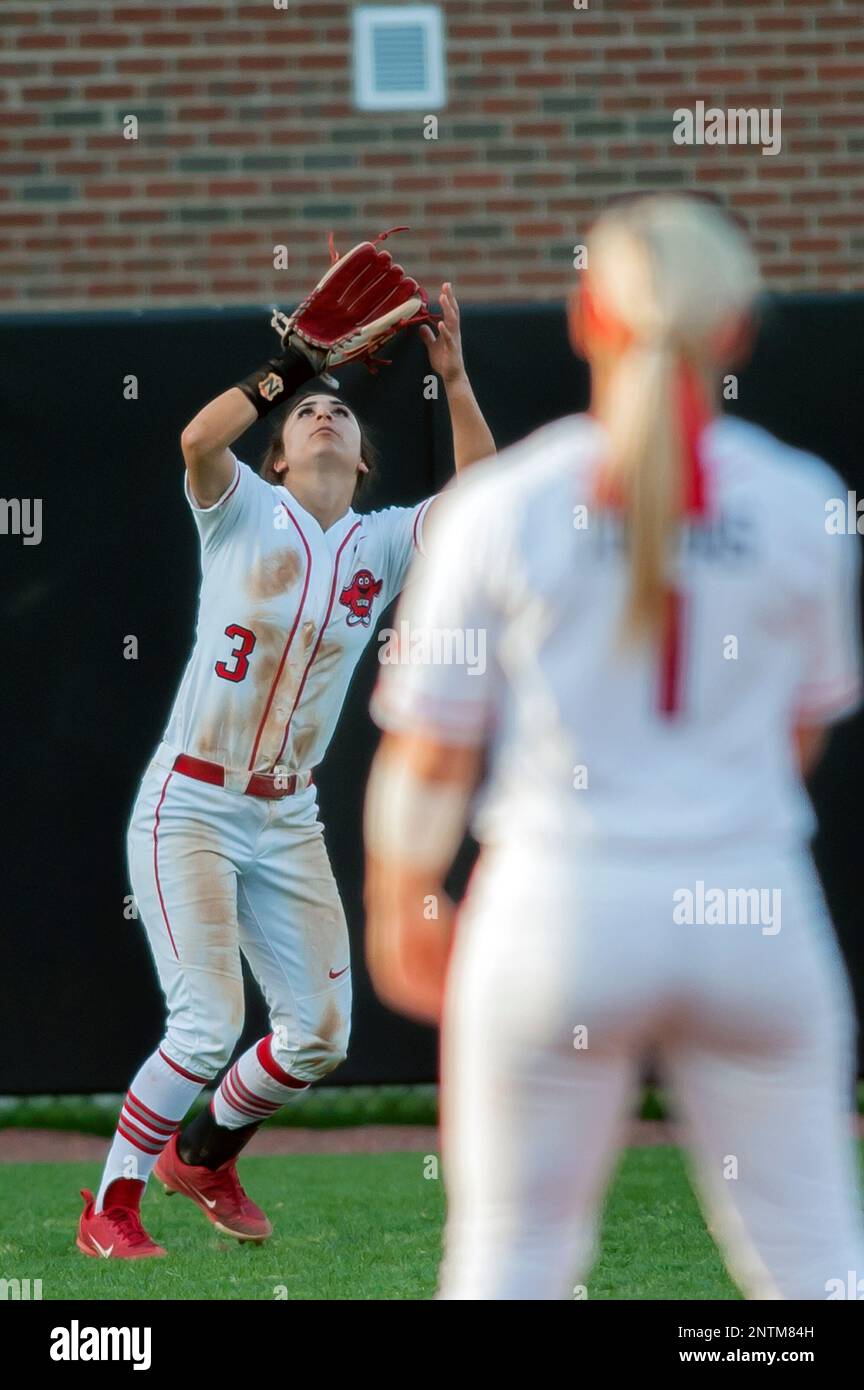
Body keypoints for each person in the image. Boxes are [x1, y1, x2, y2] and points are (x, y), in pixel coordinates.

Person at [364, 194, 864, 1300]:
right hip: (755, 916)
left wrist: (403, 899)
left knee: (512, 1262)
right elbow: (798, 734)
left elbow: (432, 756)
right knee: (822, 1272)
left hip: (554, 915)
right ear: (733, 332)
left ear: (588, 315)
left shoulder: (501, 507)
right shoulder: (804, 505)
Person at [77, 279, 496, 1259]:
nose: (324, 416)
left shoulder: (380, 545)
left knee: (319, 1030)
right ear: (278, 449)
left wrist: (456, 374)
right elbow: (195, 440)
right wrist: (299, 363)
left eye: (340, 412)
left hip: (285, 817)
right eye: (308, 411)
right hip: (190, 801)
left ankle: (205, 1152)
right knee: (207, 1018)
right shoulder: (240, 509)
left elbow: (480, 505)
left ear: (361, 456)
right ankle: (113, 1205)